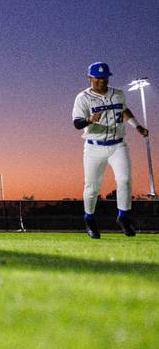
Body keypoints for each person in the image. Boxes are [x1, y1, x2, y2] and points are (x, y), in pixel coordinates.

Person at [72, 62, 149, 238]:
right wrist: (89, 119)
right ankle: (89, 219)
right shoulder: (82, 98)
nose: (102, 81)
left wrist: (137, 126)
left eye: (105, 78)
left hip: (118, 145)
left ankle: (123, 216)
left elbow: (124, 110)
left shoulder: (118, 94)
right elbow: (76, 123)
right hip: (94, 146)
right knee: (92, 188)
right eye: (98, 78)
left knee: (125, 180)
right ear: (89, 78)